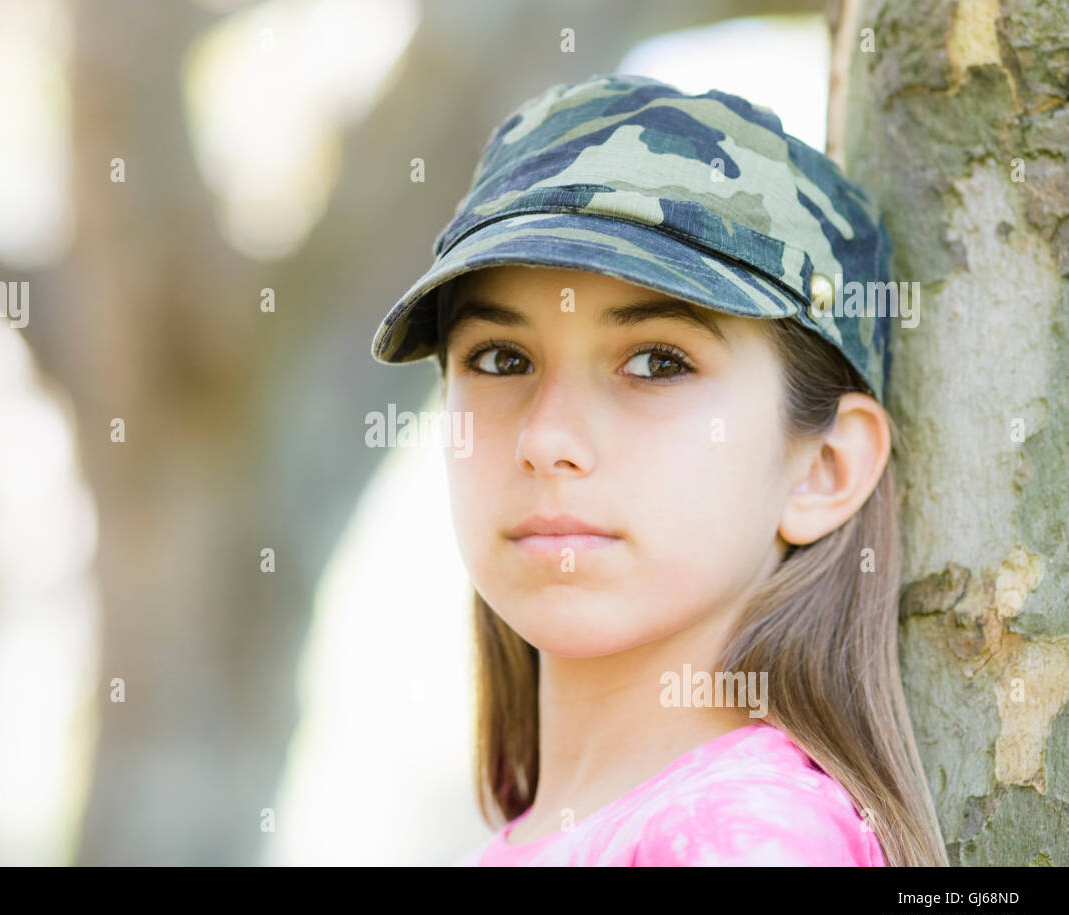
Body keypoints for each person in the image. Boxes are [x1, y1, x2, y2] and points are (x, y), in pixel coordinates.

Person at [368, 74, 948, 866]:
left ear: (825, 468)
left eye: (657, 362)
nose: (547, 438)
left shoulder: (740, 840)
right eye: (502, 359)